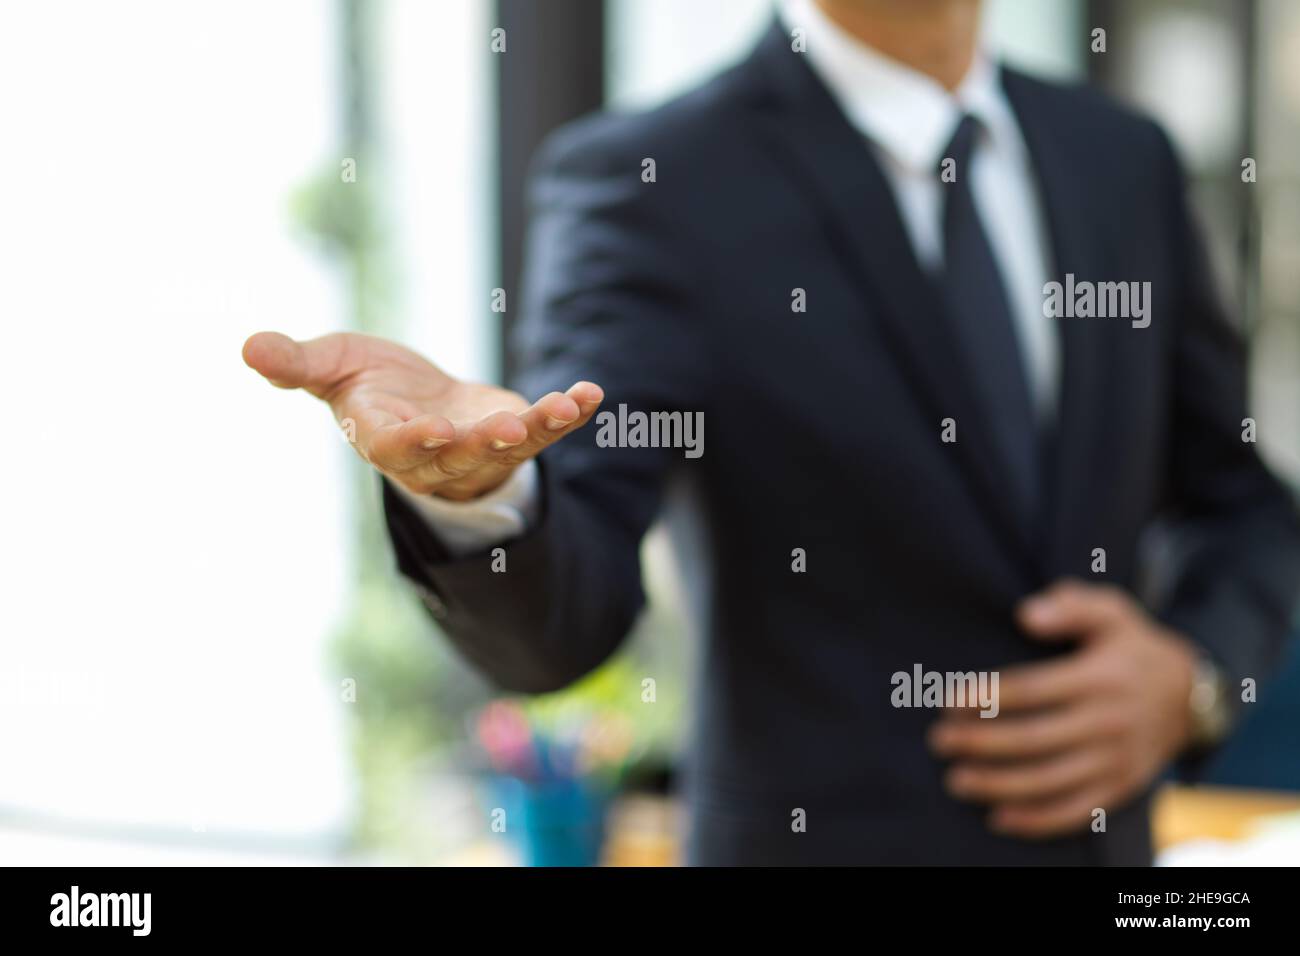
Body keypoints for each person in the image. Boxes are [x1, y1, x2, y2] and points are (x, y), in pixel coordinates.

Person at [243, 0, 1300, 864]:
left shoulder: (1119, 161)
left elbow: (1241, 502)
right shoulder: (650, 184)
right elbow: (567, 608)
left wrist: (1192, 674)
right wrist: (478, 495)